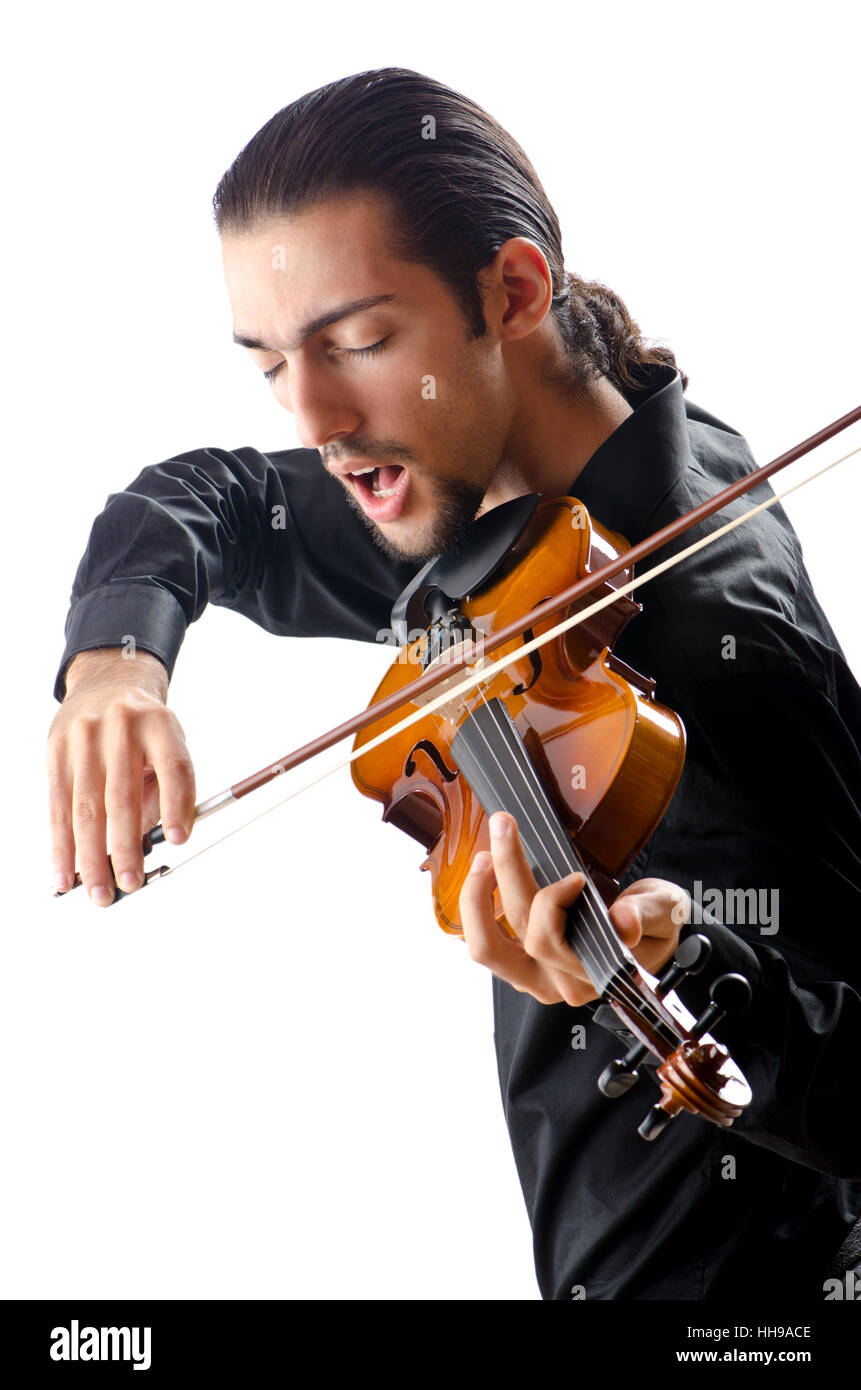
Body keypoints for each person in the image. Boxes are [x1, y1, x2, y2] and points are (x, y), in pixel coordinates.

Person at [48, 68, 861, 1301]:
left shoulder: (712, 636)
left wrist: (679, 965)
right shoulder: (497, 512)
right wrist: (116, 660)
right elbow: (218, 499)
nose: (315, 417)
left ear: (515, 291)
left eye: (360, 342)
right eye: (272, 361)